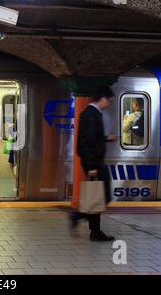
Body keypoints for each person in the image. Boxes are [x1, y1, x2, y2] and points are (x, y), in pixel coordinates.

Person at [70, 86, 117, 242]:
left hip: (93, 160)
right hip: (94, 162)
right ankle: (78, 216)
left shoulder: (90, 113)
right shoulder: (92, 114)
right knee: (103, 196)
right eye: (108, 100)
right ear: (102, 98)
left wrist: (105, 138)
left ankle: (95, 232)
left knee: (97, 196)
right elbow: (88, 141)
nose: (109, 103)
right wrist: (91, 166)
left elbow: (92, 138)